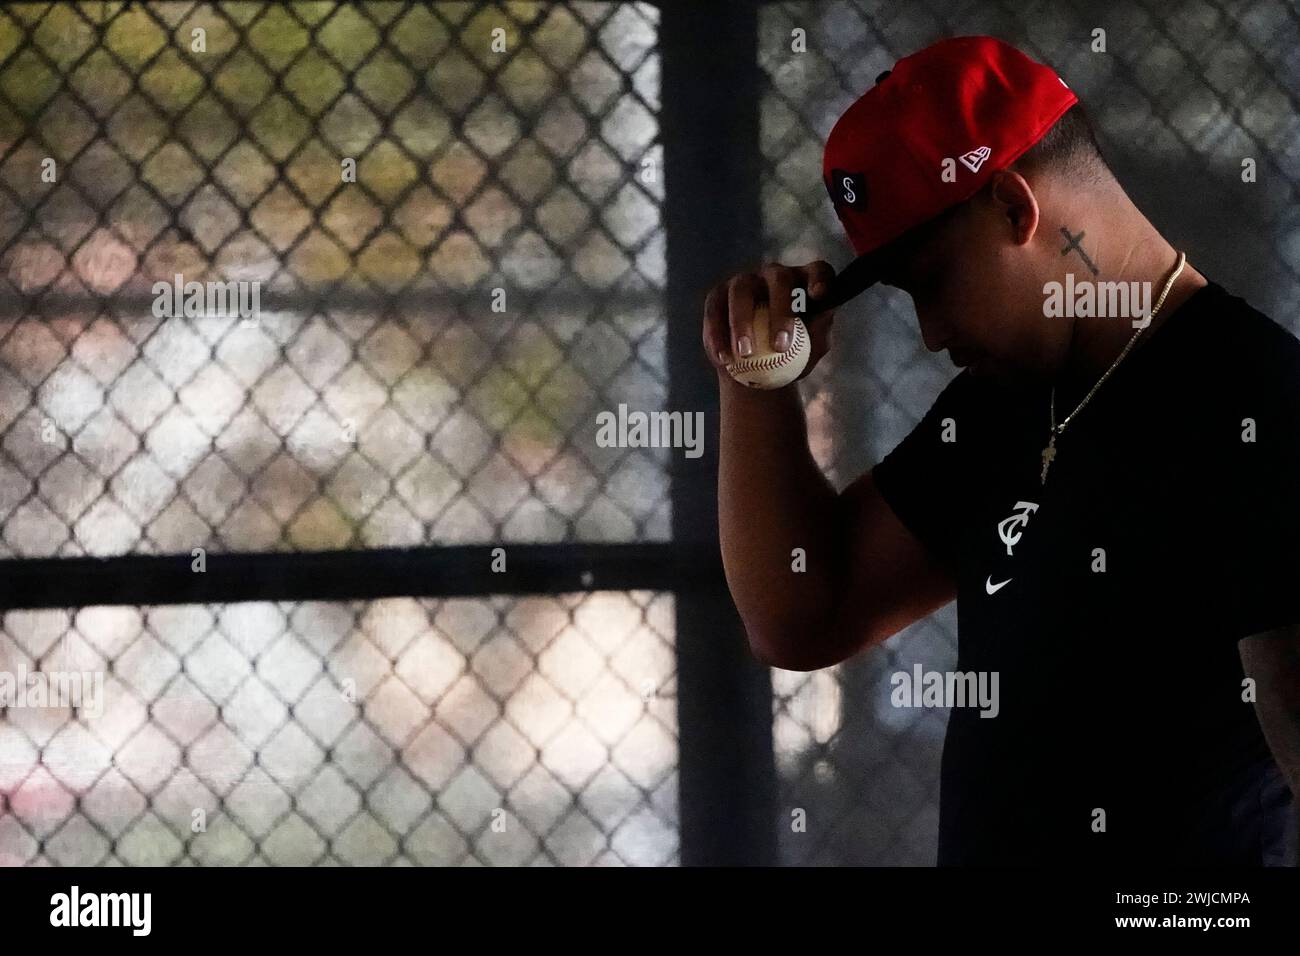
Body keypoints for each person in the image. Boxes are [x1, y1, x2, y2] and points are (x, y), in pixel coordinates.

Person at [703, 35, 1299, 865]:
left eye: (934, 283)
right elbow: (803, 614)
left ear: (1015, 208)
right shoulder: (1003, 405)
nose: (931, 333)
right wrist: (756, 380)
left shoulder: (1258, 401)